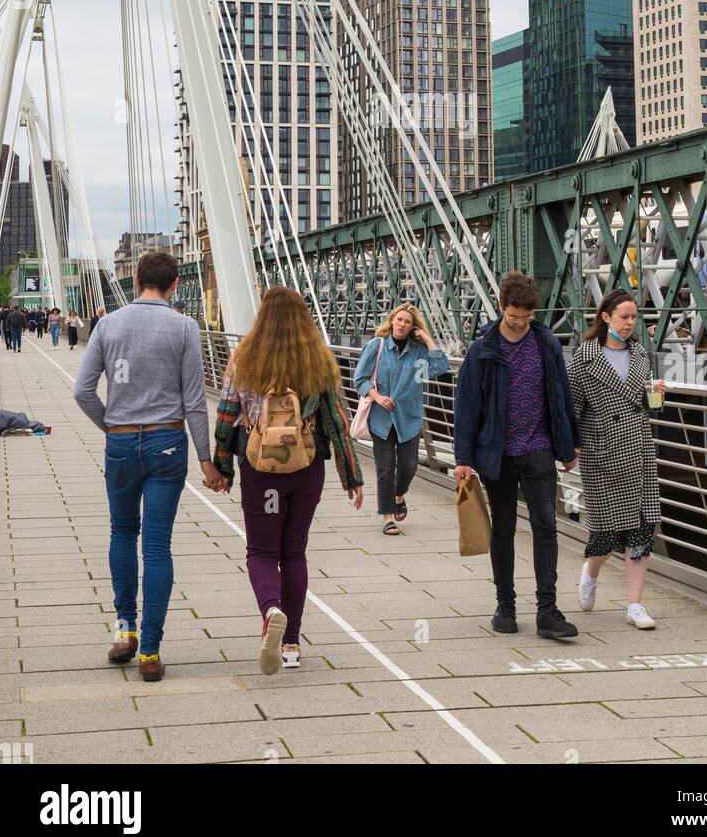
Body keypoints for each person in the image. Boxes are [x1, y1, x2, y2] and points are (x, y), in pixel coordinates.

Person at [74, 250, 224, 681]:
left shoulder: (108, 324)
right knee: (157, 545)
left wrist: (113, 427)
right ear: (175, 283)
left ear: (137, 279)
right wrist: (206, 459)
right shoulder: (184, 327)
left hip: (121, 442)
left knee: (122, 532)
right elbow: (195, 401)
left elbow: (83, 391)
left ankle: (125, 630)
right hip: (167, 442)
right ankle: (151, 652)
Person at [212, 286, 364, 674]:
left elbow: (227, 413)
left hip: (261, 472)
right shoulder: (318, 359)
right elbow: (337, 421)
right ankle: (292, 643)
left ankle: (271, 610)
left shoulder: (244, 357)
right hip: (305, 467)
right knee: (294, 552)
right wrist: (351, 476)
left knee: (262, 552)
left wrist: (223, 465)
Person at [453, 271, 581, 641]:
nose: (521, 323)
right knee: (504, 528)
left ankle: (547, 610)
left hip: (539, 447)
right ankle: (505, 606)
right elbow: (467, 407)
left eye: (526, 317)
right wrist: (463, 457)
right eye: (514, 317)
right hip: (499, 453)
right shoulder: (482, 351)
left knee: (546, 525)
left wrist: (569, 441)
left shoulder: (547, 344)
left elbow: (561, 393)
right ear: (500, 308)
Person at [566, 289, 666, 631]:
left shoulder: (639, 354)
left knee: (641, 529)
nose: (629, 323)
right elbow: (572, 409)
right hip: (601, 453)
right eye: (624, 316)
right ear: (606, 317)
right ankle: (591, 573)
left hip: (638, 449)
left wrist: (657, 397)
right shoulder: (584, 358)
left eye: (633, 317)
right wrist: (572, 448)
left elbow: (648, 407)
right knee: (606, 532)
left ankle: (635, 604)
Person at [353, 302, 449, 535]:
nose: (402, 324)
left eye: (407, 322)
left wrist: (426, 338)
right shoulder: (377, 346)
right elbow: (360, 379)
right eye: (399, 320)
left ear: (412, 326)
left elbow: (440, 367)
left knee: (409, 465)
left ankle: (398, 495)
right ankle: (388, 518)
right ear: (392, 321)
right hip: (381, 419)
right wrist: (377, 397)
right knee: (385, 467)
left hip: (409, 419)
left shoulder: (417, 353)